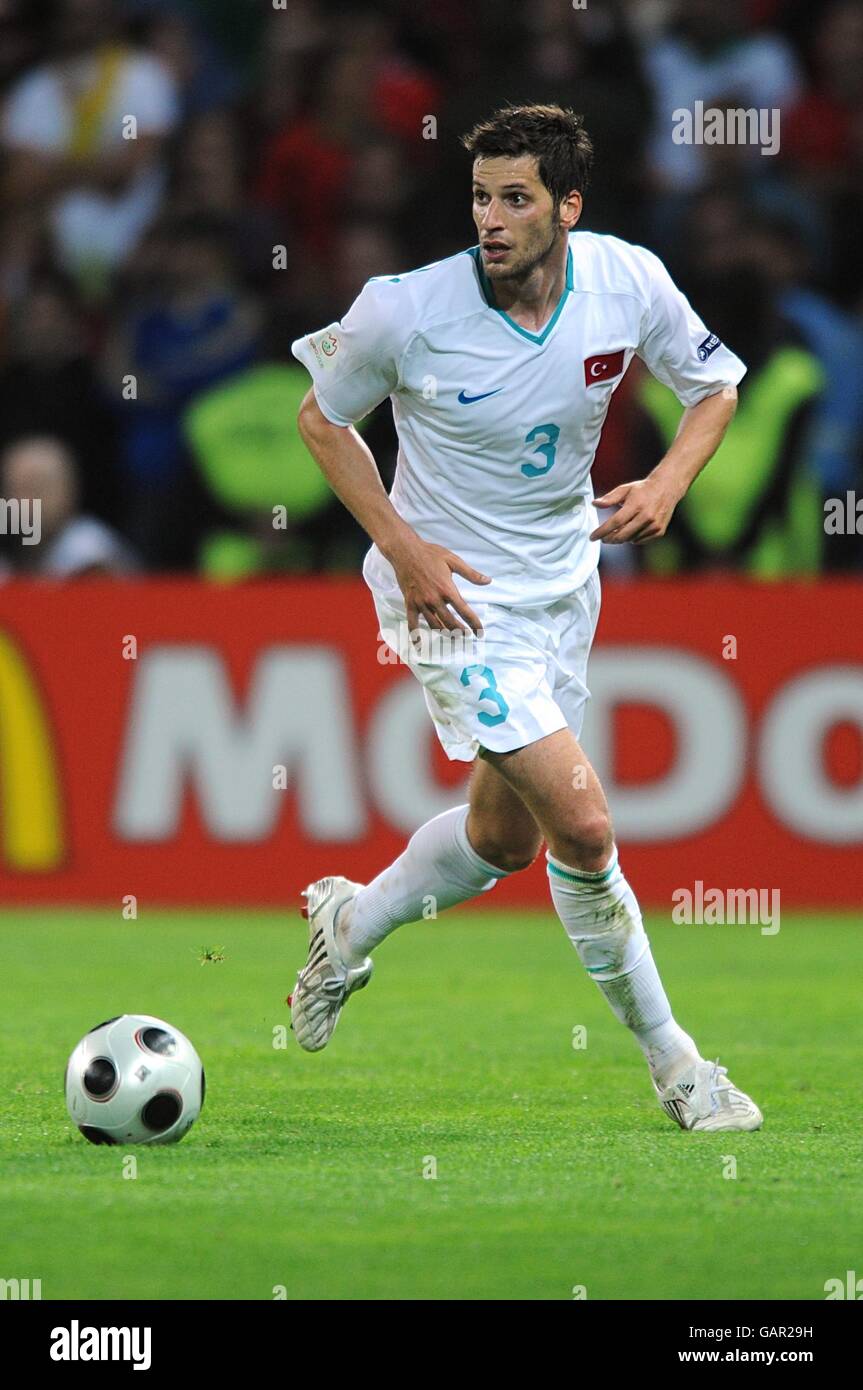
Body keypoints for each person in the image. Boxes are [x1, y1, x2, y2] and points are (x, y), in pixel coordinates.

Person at [289, 103, 762, 1134]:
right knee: (584, 828)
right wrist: (403, 548)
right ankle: (680, 1069)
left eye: (514, 199)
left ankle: (350, 920)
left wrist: (670, 480)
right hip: (450, 598)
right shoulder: (403, 310)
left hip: (562, 585)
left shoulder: (624, 280)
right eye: (478, 198)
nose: (491, 220)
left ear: (567, 208)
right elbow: (321, 419)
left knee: (504, 840)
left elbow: (716, 384)